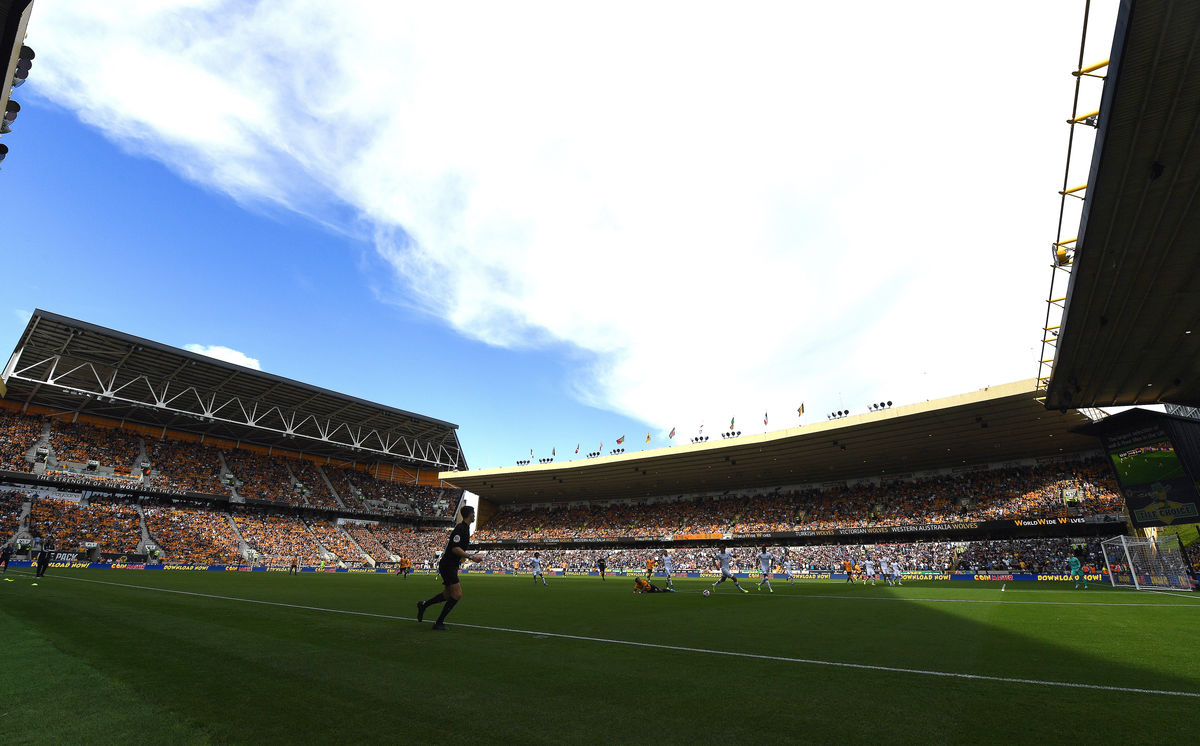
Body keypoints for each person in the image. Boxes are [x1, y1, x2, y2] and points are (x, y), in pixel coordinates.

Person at [417, 505, 484, 630]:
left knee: (448, 594)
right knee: (457, 594)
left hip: (450, 565)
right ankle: (439, 622)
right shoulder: (461, 528)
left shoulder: (465, 528)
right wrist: (471, 557)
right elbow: (455, 548)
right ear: (470, 514)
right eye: (473, 513)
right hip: (448, 565)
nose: (474, 515)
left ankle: (424, 605)